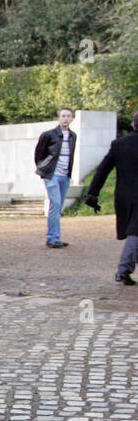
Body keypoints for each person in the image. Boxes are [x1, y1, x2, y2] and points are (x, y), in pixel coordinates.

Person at [81, 111, 138, 286]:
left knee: (135, 232)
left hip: (124, 196)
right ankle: (123, 270)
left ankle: (124, 270)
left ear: (133, 124)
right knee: (135, 233)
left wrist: (92, 194)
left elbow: (102, 170)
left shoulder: (119, 144)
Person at [34, 106, 77, 248]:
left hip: (65, 176)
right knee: (56, 204)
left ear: (72, 118)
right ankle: (52, 238)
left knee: (58, 207)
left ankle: (56, 236)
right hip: (52, 175)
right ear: (59, 117)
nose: (65, 118)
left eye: (68, 116)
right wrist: (44, 169)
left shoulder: (73, 136)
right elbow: (39, 154)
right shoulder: (49, 135)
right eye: (63, 116)